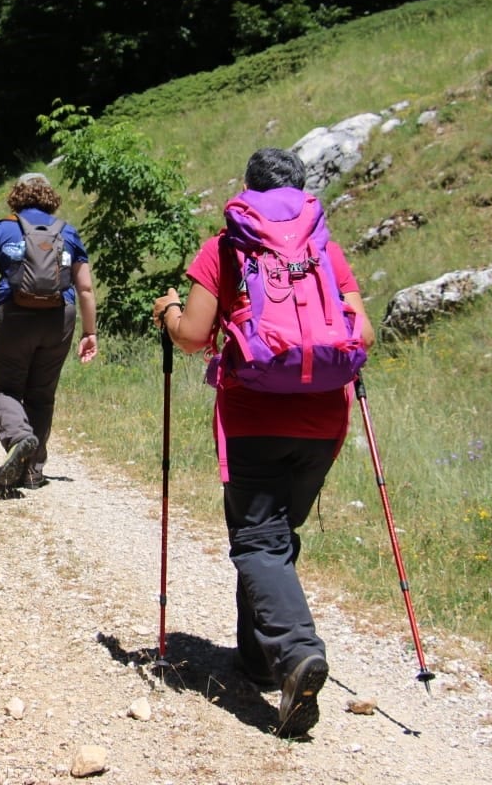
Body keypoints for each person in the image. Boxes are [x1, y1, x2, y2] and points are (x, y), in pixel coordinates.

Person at [152, 147, 375, 738]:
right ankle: (257, 659)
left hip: (253, 416)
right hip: (324, 418)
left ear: (247, 192)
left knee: (257, 540)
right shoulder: (324, 250)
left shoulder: (227, 246)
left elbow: (196, 337)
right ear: (301, 191)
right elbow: (364, 333)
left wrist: (170, 311)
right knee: (276, 537)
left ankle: (296, 652)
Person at [0, 173, 98, 489]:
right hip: (59, 318)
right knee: (41, 394)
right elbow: (85, 288)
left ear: (17, 196)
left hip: (12, 314)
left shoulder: (2, 229)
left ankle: (20, 437)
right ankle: (33, 469)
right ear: (49, 198)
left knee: (5, 388)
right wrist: (89, 332)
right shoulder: (67, 232)